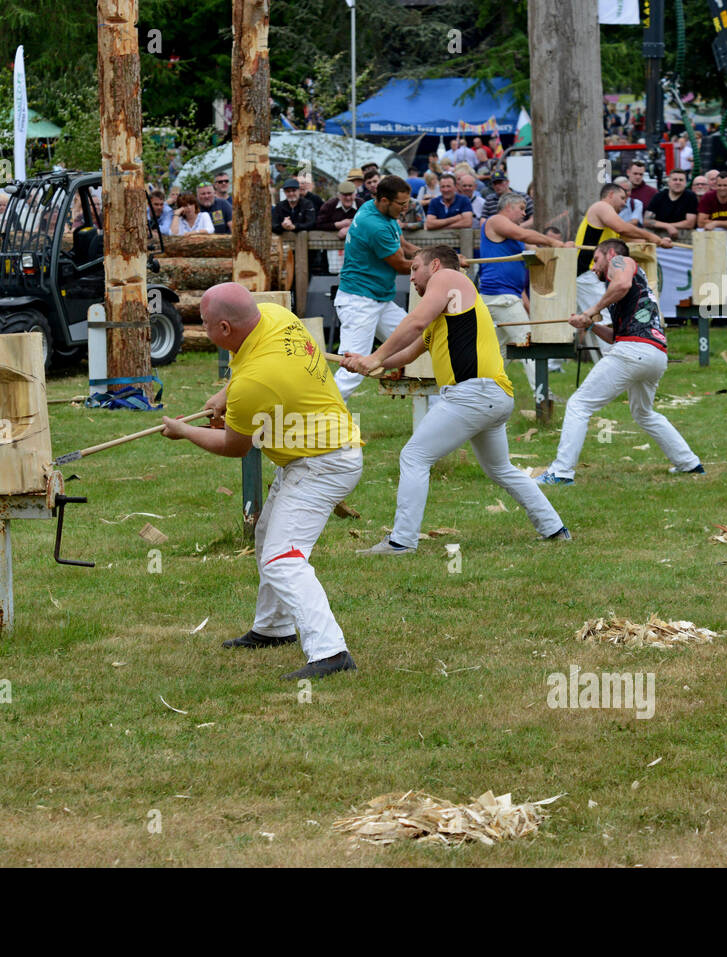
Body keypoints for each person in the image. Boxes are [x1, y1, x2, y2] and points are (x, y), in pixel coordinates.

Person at [161, 284, 362, 681]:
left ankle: (331, 651)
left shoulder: (256, 382)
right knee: (268, 534)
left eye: (203, 323)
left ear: (223, 328)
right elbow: (251, 379)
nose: (200, 328)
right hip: (319, 452)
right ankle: (274, 628)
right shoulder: (276, 318)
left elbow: (235, 446)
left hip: (323, 464)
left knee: (283, 557)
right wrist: (225, 395)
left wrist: (184, 432)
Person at [344, 245, 569, 553]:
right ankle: (555, 529)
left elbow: (414, 322)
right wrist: (368, 361)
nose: (410, 278)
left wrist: (375, 358)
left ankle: (401, 541)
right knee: (501, 469)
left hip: (473, 394)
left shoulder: (449, 277)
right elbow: (407, 354)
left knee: (414, 457)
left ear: (434, 265)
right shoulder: (445, 315)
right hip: (490, 396)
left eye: (414, 269)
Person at [536, 239, 703, 485]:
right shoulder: (629, 288)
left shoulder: (620, 261)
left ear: (610, 253)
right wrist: (591, 325)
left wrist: (591, 310)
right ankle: (689, 463)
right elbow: (617, 336)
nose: (594, 268)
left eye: (596, 259)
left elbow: (621, 284)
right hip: (654, 354)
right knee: (643, 412)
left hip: (634, 351)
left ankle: (561, 472)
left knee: (579, 405)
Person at [333, 175, 422, 401]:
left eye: (407, 203)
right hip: (359, 302)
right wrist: (436, 266)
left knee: (417, 345)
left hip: (379, 299)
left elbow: (404, 245)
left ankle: (436, 410)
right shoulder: (375, 226)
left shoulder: (378, 211)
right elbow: (402, 265)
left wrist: (438, 256)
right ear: (384, 200)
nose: (405, 209)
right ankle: (318, 421)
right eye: (401, 205)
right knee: (353, 369)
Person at [478, 194, 571, 397]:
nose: (523, 213)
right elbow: (526, 236)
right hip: (500, 297)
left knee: (501, 351)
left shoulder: (515, 237)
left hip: (503, 297)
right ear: (508, 206)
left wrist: (564, 247)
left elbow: (536, 248)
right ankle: (543, 395)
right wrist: (557, 244)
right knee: (527, 342)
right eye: (521, 208)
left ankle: (480, 388)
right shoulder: (496, 221)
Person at [573, 183, 671, 361]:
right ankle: (614, 365)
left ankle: (602, 365)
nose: (625, 203)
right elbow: (623, 228)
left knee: (592, 321)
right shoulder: (601, 207)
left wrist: (657, 242)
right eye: (622, 198)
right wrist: (653, 237)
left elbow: (628, 236)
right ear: (610, 194)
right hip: (587, 273)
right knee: (603, 320)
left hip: (591, 275)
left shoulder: (609, 224)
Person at [645, 169, 698, 239]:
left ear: (686, 182)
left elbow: (690, 223)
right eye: (675, 180)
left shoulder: (690, 197)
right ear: (669, 182)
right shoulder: (659, 196)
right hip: (660, 233)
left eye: (681, 180)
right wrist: (667, 226)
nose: (678, 182)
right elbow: (646, 221)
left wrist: (670, 226)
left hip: (683, 235)